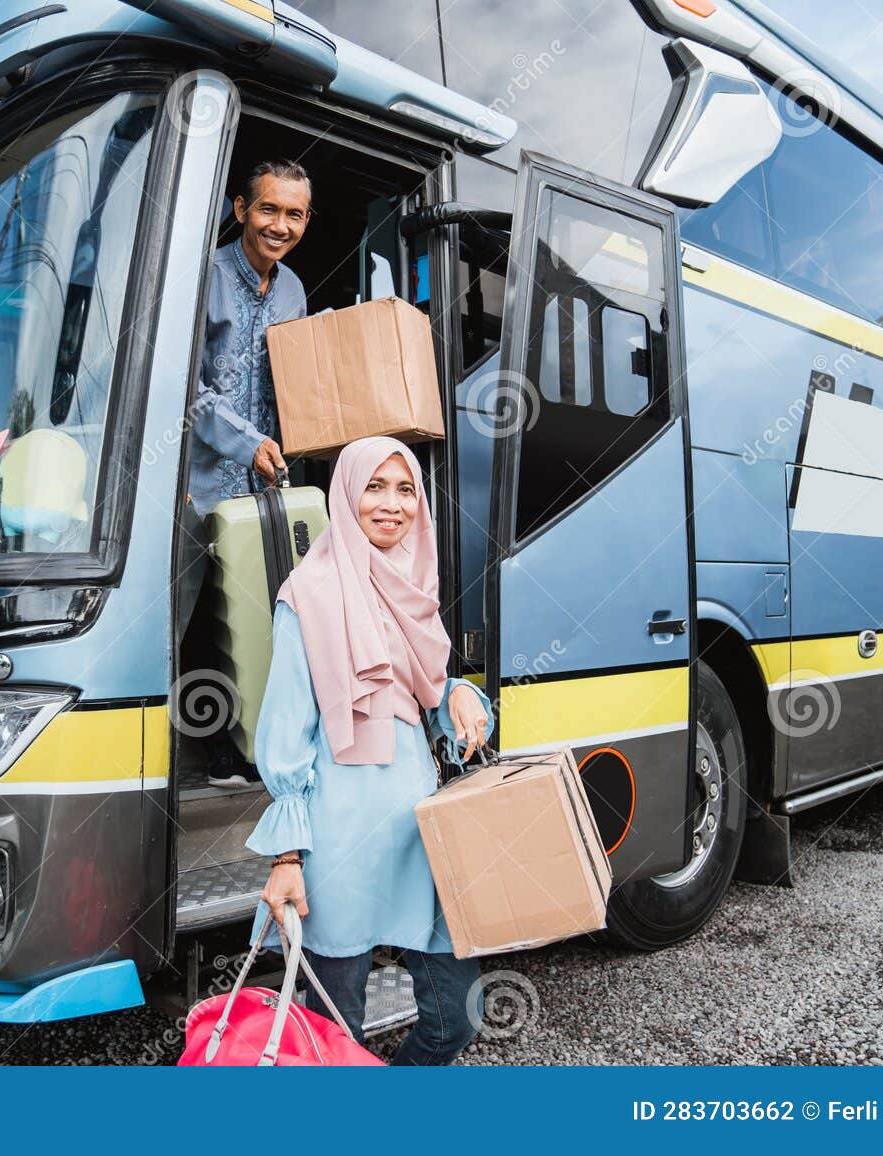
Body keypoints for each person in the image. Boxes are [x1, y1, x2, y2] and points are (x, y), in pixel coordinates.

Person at [245, 436, 495, 1065]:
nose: (392, 505)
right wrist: (287, 857)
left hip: (418, 832)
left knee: (456, 1016)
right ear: (346, 495)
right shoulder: (307, 594)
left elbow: (425, 691)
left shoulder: (415, 587)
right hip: (337, 844)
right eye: (374, 488)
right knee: (333, 1040)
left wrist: (461, 696)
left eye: (405, 489)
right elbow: (284, 735)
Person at [179, 159, 313, 788]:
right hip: (199, 482)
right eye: (268, 210)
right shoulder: (201, 274)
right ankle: (212, 754)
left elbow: (293, 383)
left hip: (264, 489)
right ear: (240, 210)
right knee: (201, 614)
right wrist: (247, 442)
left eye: (294, 214)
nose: (279, 226)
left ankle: (260, 740)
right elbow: (186, 388)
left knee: (258, 611)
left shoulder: (294, 292)